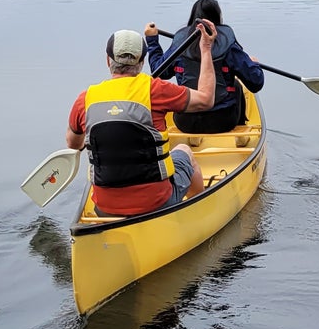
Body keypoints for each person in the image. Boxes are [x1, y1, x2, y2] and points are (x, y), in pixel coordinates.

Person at [66, 23, 219, 218]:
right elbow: (206, 100)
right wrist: (206, 49)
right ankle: (200, 210)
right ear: (142, 61)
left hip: (104, 207)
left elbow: (73, 144)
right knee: (184, 151)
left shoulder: (85, 99)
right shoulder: (155, 90)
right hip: (156, 203)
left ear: (107, 60)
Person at [144, 0, 264, 133]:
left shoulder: (180, 45)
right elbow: (256, 83)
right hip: (223, 121)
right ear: (218, 19)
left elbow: (159, 71)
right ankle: (241, 132)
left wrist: (152, 40)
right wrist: (254, 65)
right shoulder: (229, 46)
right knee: (236, 86)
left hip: (185, 122)